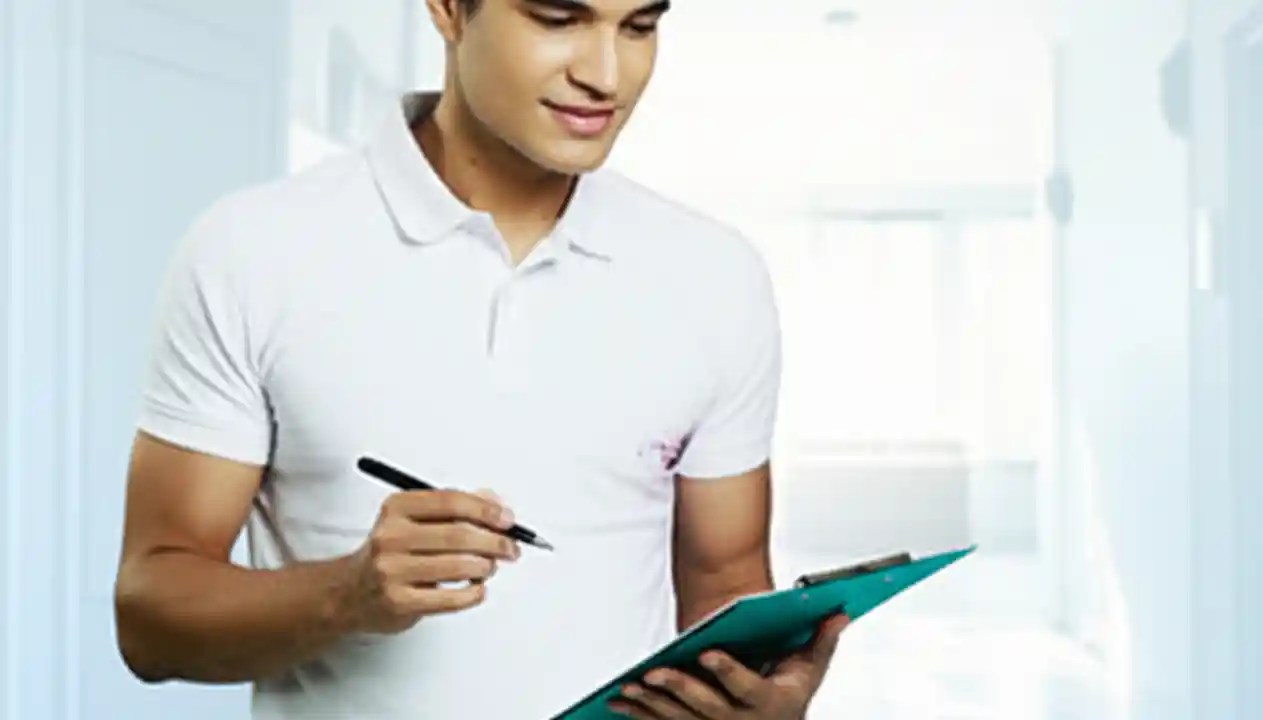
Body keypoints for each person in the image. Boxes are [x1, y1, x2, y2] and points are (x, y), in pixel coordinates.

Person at [112, 0, 851, 717]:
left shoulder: (714, 277)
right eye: (558, 19)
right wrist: (347, 595)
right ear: (446, 8)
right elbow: (150, 622)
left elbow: (724, 587)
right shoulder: (253, 252)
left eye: (638, 26)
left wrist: (761, 702)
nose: (606, 75)